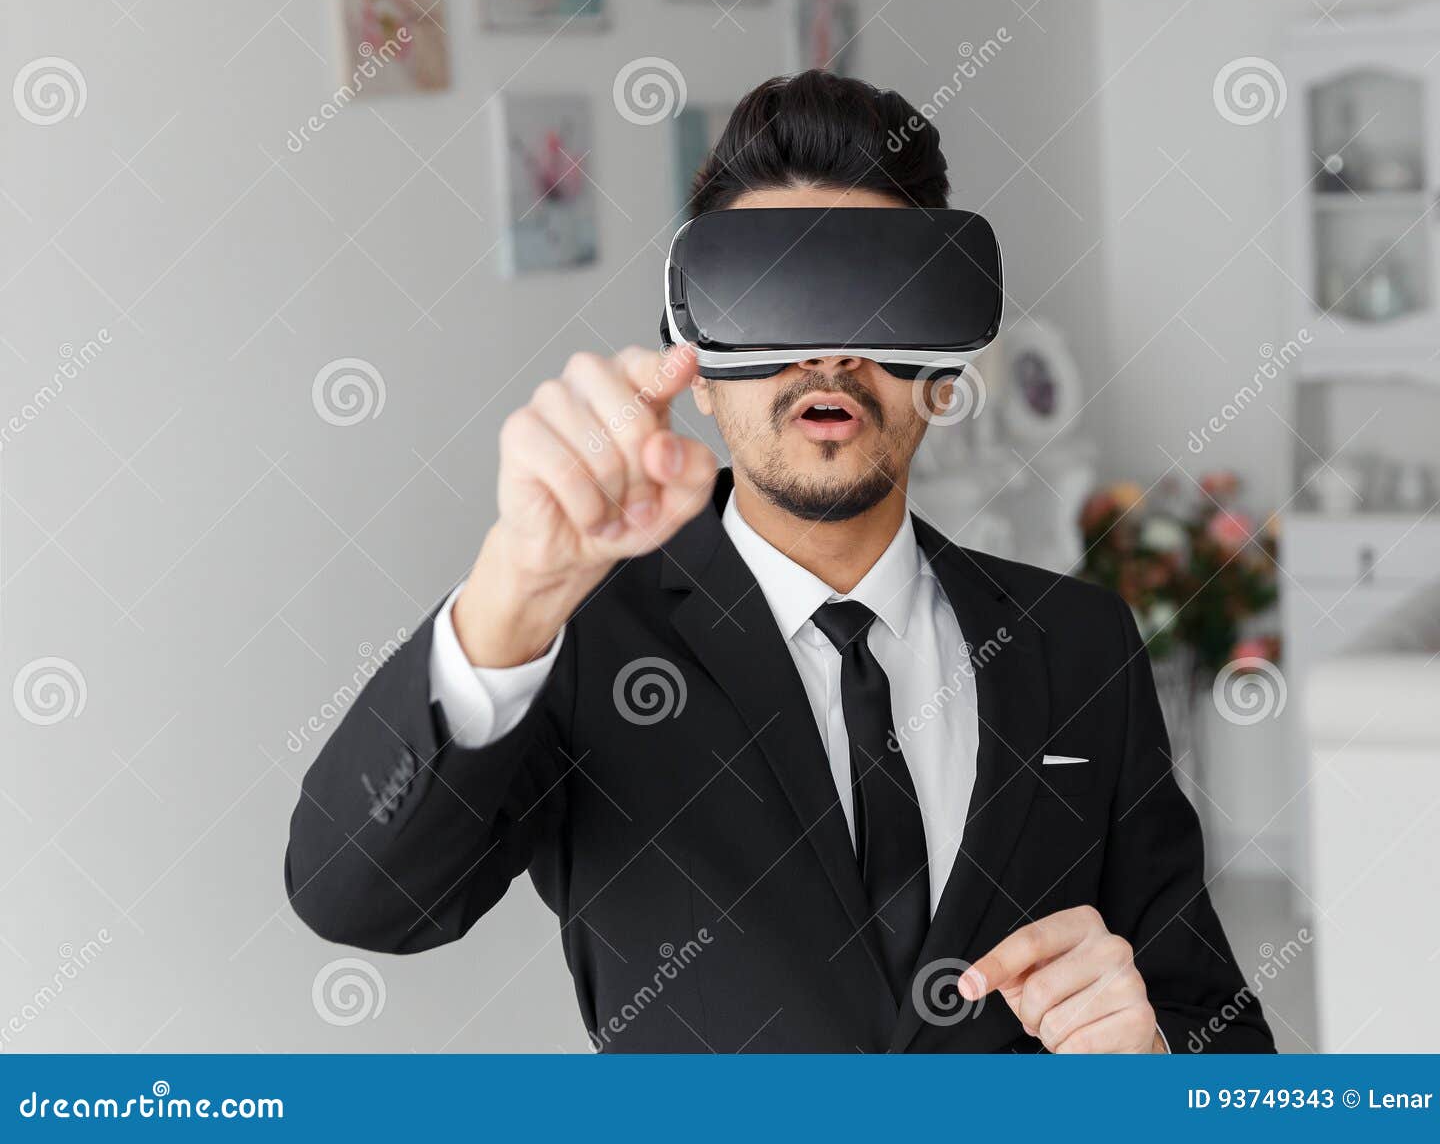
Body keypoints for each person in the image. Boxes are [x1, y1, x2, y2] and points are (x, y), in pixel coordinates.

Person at [285, 70, 1274, 1054]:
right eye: (771, 300)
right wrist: (518, 587)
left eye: (875, 303)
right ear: (700, 376)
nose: (826, 357)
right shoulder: (583, 641)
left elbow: (1215, 1028)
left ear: (939, 377)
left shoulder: (1078, 643)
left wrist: (1148, 1068)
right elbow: (357, 896)